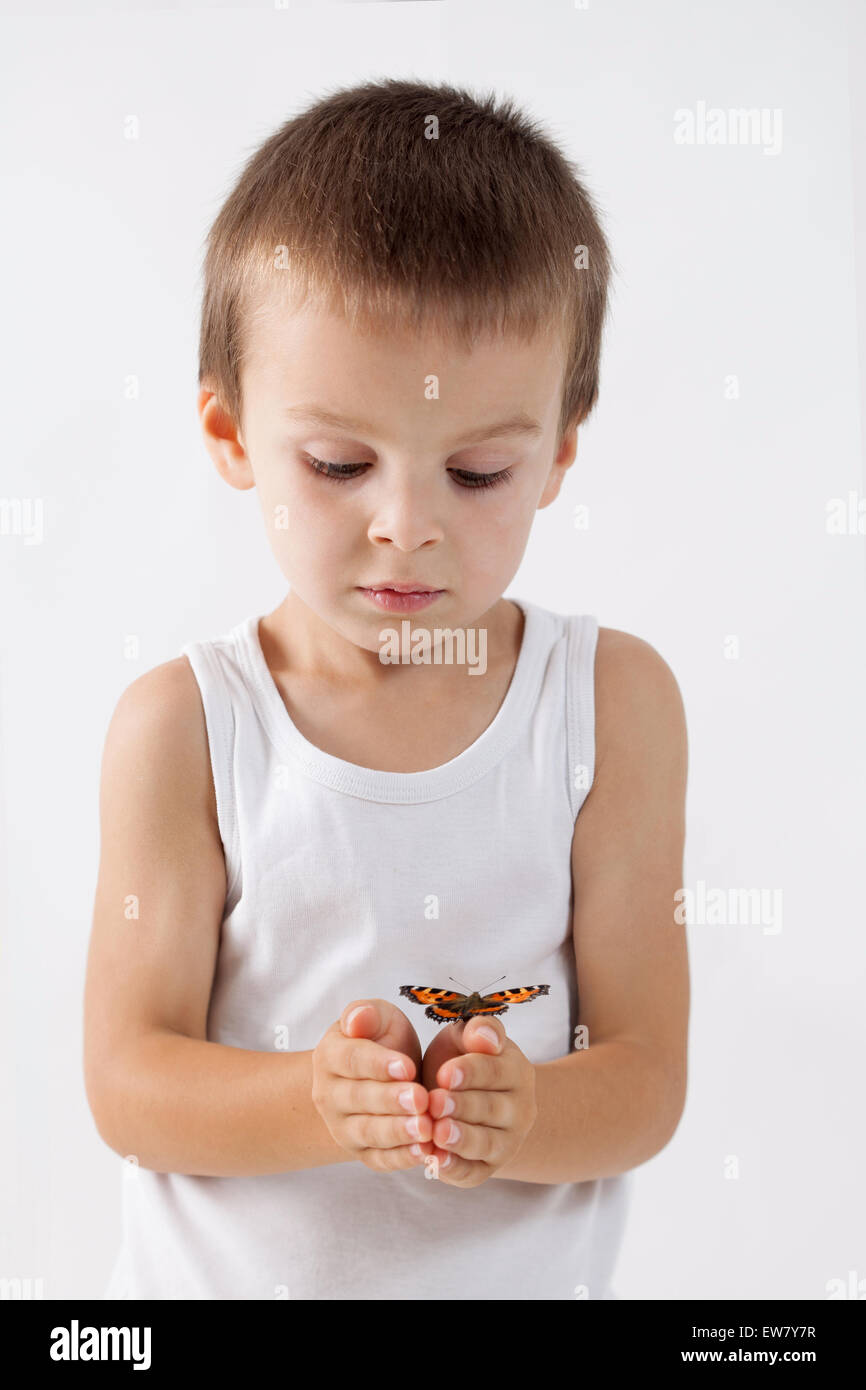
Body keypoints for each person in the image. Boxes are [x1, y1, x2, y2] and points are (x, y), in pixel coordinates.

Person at [84, 77, 689, 1300]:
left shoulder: (608, 703)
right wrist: (314, 1098)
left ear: (557, 453)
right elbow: (128, 1085)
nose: (404, 527)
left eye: (475, 471)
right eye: (338, 463)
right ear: (231, 435)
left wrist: (522, 1115)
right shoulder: (189, 728)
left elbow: (642, 1079)